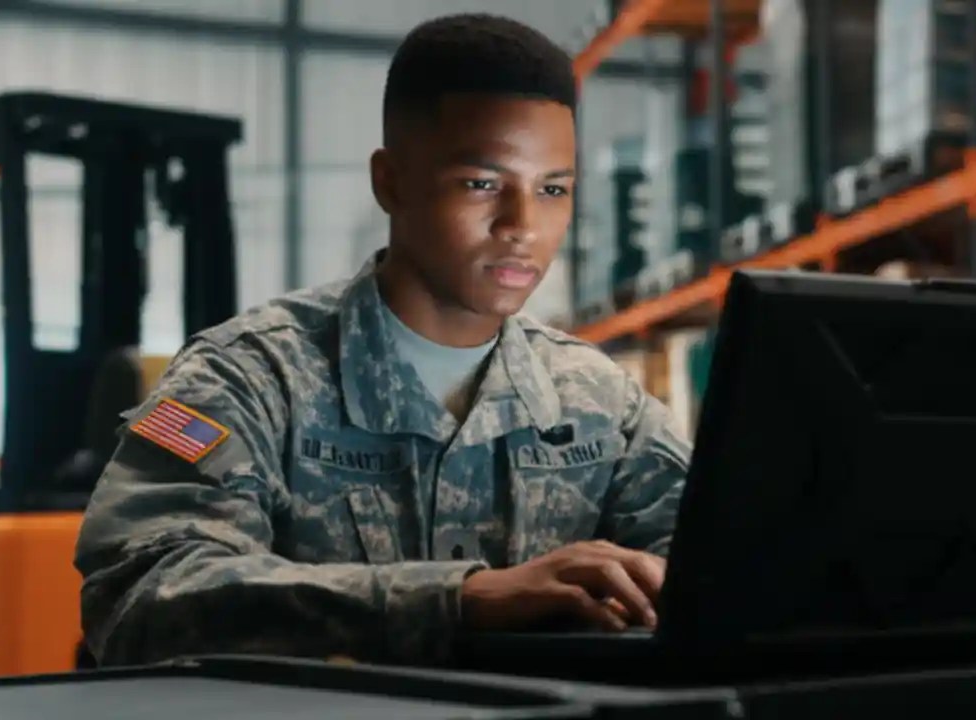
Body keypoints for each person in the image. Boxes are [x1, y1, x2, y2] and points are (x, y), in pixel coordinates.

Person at [74, 13, 690, 668]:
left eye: (553, 189)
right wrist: (458, 600)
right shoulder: (250, 380)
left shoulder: (600, 405)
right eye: (482, 184)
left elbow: (726, 567)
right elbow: (141, 596)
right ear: (390, 182)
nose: (522, 225)